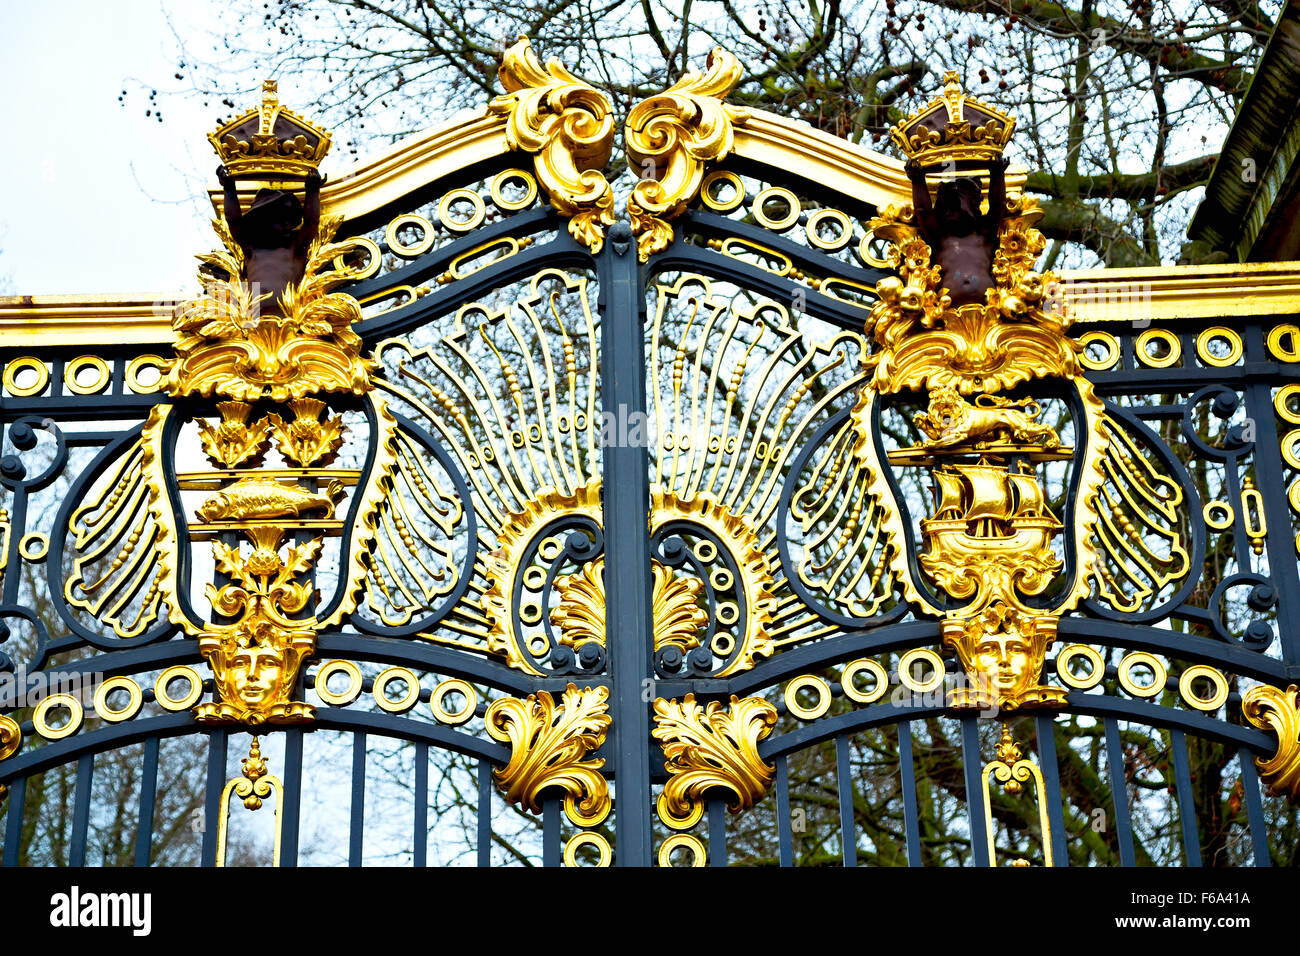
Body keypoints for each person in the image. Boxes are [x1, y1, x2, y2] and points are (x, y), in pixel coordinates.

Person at [215, 164, 323, 314]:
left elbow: (312, 222)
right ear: (262, 221)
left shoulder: (295, 246)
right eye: (281, 218)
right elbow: (232, 221)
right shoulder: (251, 246)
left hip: (291, 318)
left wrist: (312, 191)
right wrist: (229, 188)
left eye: (289, 219)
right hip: (251, 319)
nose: (287, 224)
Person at [905, 155, 1008, 308]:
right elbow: (923, 212)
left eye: (958, 208)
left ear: (974, 207)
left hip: (991, 309)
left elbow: (998, 206)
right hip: (948, 311)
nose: (952, 213)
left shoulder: (984, 233)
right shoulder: (940, 237)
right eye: (948, 209)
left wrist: (997, 174)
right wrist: (918, 180)